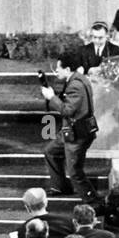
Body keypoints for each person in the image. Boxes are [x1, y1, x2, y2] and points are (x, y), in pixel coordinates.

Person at [42, 48, 99, 203]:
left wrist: (52, 97)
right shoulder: (79, 79)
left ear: (67, 69)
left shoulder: (75, 85)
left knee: (75, 172)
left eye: (58, 67)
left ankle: (94, 202)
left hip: (76, 134)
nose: (56, 71)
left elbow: (67, 110)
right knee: (51, 151)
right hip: (72, 131)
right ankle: (60, 186)